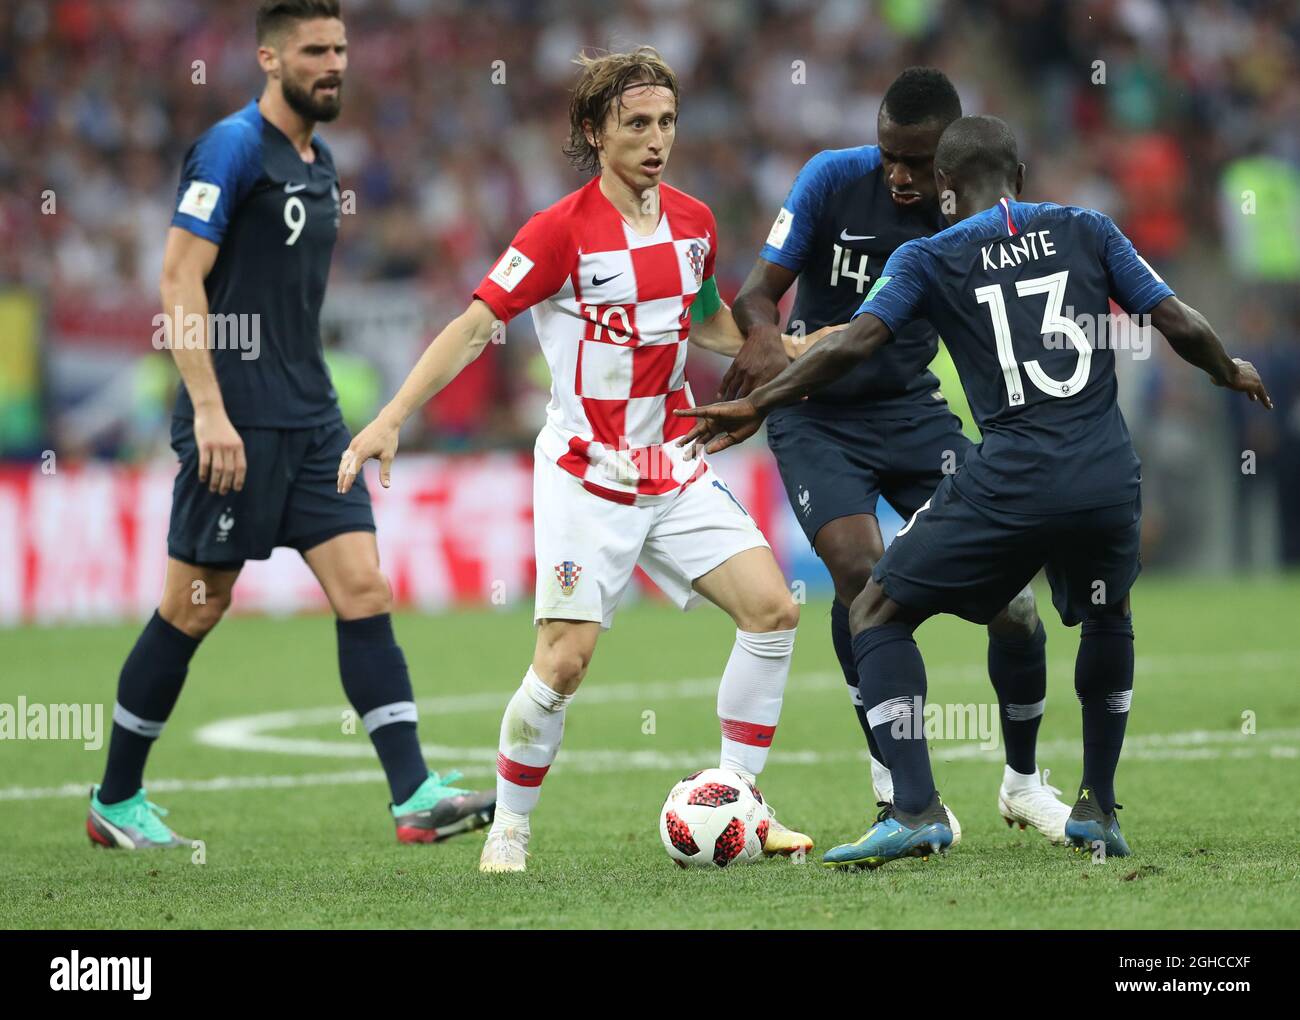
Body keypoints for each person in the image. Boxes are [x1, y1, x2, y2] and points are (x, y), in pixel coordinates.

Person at [678, 115, 1271, 869]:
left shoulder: (933, 252)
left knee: (876, 608)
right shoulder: (1089, 226)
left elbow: (856, 342)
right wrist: (1229, 369)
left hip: (1013, 480)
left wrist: (758, 402)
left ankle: (916, 805)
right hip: (1106, 474)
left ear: (947, 191)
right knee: (1106, 616)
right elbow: (1175, 320)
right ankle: (1099, 805)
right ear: (1019, 176)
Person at [339, 47, 827, 874]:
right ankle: (511, 827)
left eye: (666, 122)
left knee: (774, 610)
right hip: (586, 475)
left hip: (673, 465)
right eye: (636, 123)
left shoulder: (696, 223)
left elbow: (705, 322)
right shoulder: (558, 231)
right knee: (564, 663)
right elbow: (472, 324)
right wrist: (391, 416)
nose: (656, 139)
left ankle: (737, 798)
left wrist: (780, 348)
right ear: (596, 132)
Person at [88, 0, 494, 851]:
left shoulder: (322, 160)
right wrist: (207, 409)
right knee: (195, 607)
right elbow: (177, 281)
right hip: (233, 422)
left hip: (311, 422)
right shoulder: (234, 148)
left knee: (364, 590)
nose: (332, 63)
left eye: (340, 48)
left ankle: (412, 793)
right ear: (269, 58)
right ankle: (115, 799)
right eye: (314, 50)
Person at [726, 69, 1067, 843]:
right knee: (860, 573)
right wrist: (759, 338)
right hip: (815, 417)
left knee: (1014, 604)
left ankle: (1021, 783)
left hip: (914, 416)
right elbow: (758, 292)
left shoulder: (976, 218)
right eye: (889, 157)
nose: (898, 176)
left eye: (915, 163)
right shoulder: (831, 179)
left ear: (948, 164)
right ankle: (903, 794)